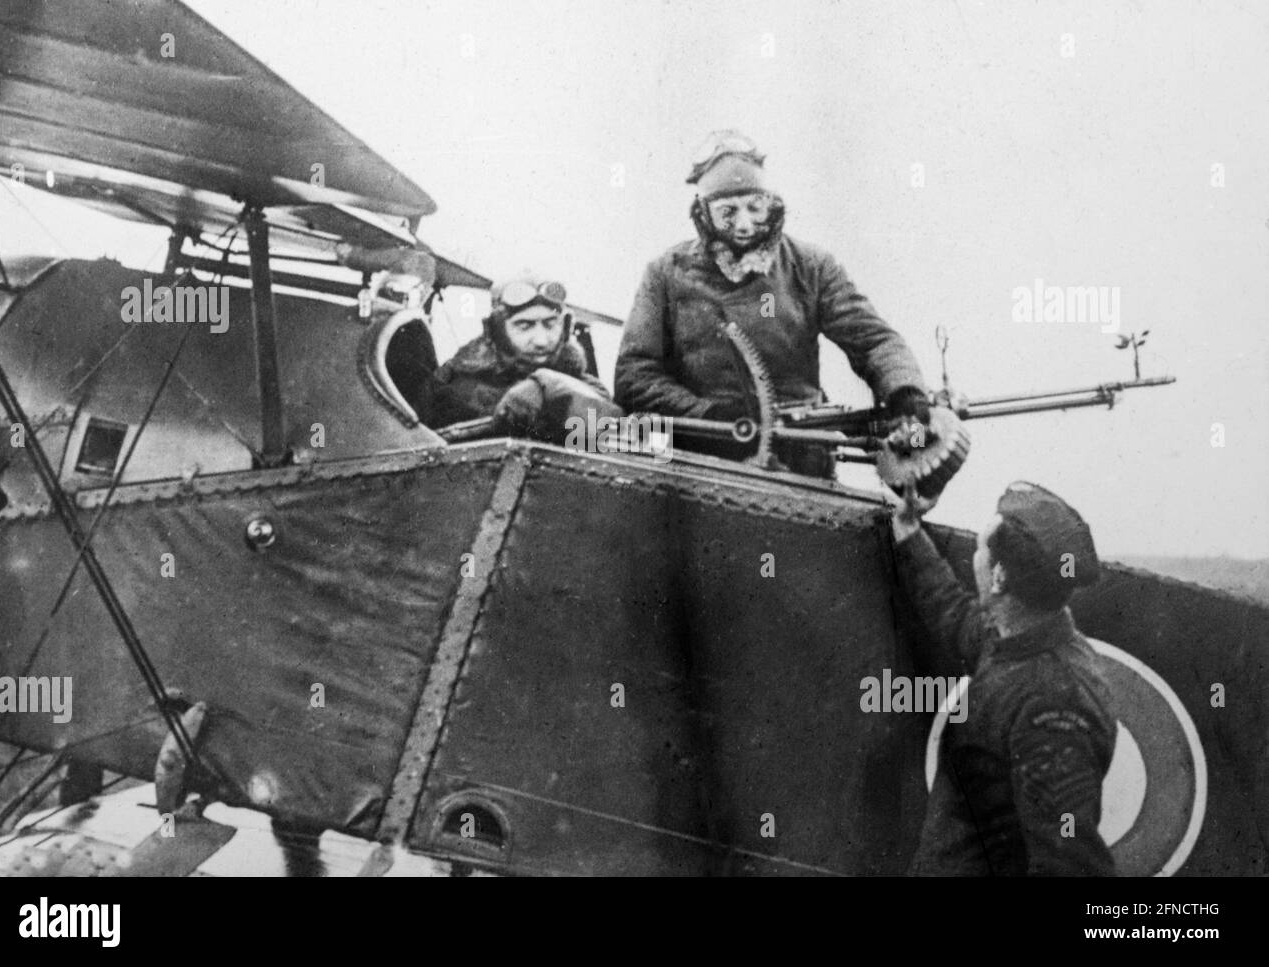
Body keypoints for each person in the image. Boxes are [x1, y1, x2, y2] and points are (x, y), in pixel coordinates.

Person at [615, 130, 932, 476]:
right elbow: (635, 377)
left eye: (755, 207)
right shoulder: (666, 274)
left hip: (802, 466)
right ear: (703, 213)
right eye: (727, 212)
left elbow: (873, 340)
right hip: (700, 465)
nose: (744, 225)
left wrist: (904, 390)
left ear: (771, 203)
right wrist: (709, 416)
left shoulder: (810, 267)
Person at [888, 478, 1118, 876]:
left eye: (980, 548)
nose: (974, 557)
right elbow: (954, 614)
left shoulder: (1054, 704)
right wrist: (908, 531)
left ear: (998, 577)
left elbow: (1069, 866)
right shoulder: (1019, 635)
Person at [423, 275, 619, 442]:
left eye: (550, 325)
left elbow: (611, 427)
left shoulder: (585, 386)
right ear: (497, 330)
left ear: (565, 328)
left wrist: (547, 387)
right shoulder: (452, 383)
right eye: (524, 326)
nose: (541, 340)